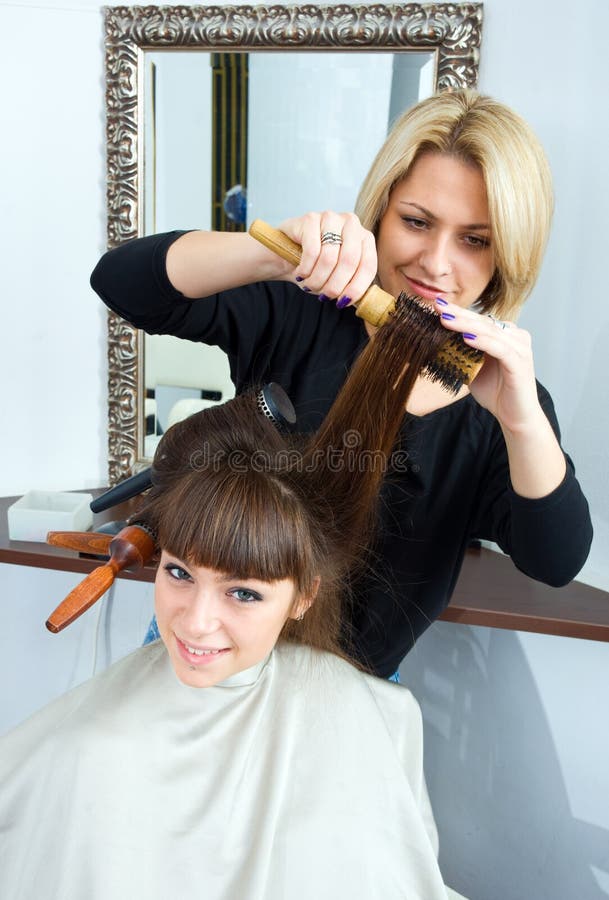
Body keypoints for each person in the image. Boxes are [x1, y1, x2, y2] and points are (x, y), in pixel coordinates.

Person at [90, 89, 592, 678]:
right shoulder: (297, 314)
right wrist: (272, 254)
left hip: (351, 692)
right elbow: (121, 282)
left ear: (509, 254)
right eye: (415, 222)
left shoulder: (504, 406)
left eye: (474, 240)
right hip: (204, 644)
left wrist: (522, 420)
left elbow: (555, 560)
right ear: (379, 210)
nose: (435, 261)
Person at [0, 346, 467, 897]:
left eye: (242, 593)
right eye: (178, 573)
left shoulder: (374, 720)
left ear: (302, 597)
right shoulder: (87, 750)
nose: (196, 624)